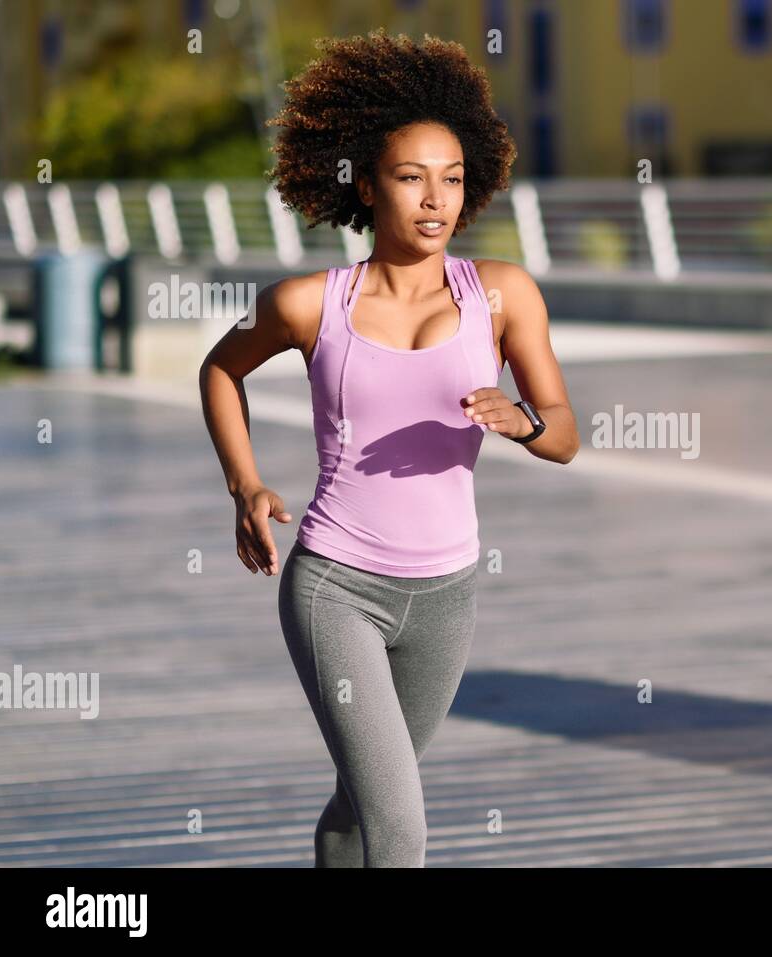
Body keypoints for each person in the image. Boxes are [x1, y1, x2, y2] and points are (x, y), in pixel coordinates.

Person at [198, 30, 578, 867]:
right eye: (411, 178)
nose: (435, 199)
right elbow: (220, 368)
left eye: (453, 178)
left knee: (361, 801)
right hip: (336, 586)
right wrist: (245, 484)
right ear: (366, 184)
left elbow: (565, 434)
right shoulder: (308, 303)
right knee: (399, 822)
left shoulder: (503, 294)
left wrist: (525, 421)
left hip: (447, 594)